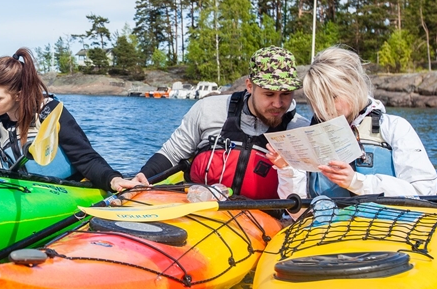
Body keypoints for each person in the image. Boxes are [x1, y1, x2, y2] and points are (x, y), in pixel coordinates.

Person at [131, 46, 310, 200]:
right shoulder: (208, 109)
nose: (278, 104)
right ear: (249, 86)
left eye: (285, 94)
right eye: (269, 94)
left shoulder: (300, 129)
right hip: (200, 210)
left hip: (265, 221)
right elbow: (172, 153)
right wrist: (142, 177)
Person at [266, 46, 437, 198]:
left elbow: (424, 191)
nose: (325, 108)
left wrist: (356, 182)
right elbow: (298, 214)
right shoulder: (311, 137)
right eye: (317, 101)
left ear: (353, 85)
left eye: (333, 97)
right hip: (332, 229)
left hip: (388, 227)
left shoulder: (395, 128)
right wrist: (287, 170)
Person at [0, 47, 139, 192]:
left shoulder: (50, 113)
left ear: (18, 95)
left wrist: (113, 179)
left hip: (70, 191)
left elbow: (85, 158)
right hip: (28, 194)